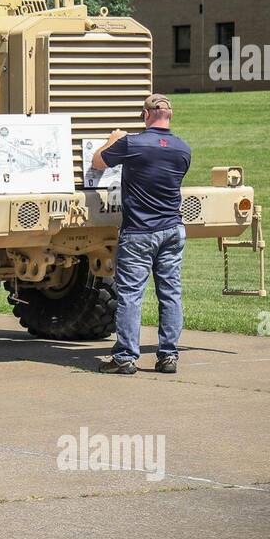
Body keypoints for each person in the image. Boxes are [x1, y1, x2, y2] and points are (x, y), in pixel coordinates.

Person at [92, 93, 192, 375]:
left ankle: (125, 358)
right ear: (169, 115)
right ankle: (168, 357)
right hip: (173, 230)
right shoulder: (183, 149)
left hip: (138, 233)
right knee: (171, 293)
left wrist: (114, 139)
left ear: (146, 115)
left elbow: (98, 161)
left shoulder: (131, 143)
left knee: (131, 295)